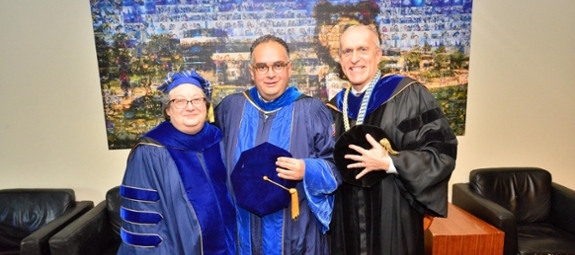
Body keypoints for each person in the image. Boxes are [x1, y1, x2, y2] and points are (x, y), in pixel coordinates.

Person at [326, 24, 458, 255]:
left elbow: (441, 153)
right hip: (345, 222)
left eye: (362, 49)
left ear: (378, 55)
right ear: (340, 59)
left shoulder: (409, 95)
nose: (354, 58)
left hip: (394, 216)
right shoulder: (334, 107)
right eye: (347, 51)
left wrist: (390, 163)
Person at [215, 34, 340, 255]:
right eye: (262, 67)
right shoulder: (231, 109)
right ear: (251, 71)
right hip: (242, 235)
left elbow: (336, 168)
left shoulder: (312, 111)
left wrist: (307, 169)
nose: (270, 74)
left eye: (278, 65)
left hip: (296, 238)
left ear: (289, 68)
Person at [117, 70, 236, 255]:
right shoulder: (150, 151)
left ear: (206, 105)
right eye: (179, 101)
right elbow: (142, 222)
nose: (190, 107)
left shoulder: (218, 140)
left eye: (197, 99)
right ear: (167, 109)